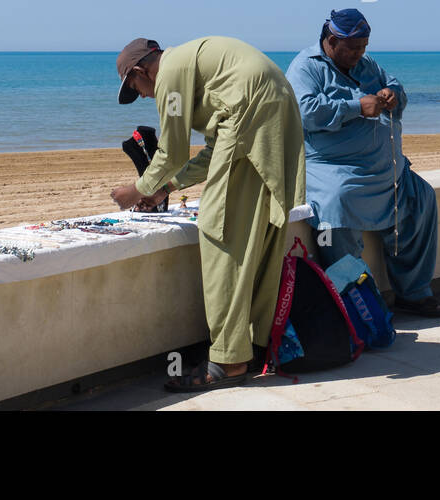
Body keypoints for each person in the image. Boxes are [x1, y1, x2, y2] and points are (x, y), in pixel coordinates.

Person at [111, 36, 306, 391]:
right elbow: (215, 150)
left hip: (254, 114)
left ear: (142, 70)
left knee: (221, 235)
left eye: (136, 87)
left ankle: (229, 362)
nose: (141, 96)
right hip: (274, 110)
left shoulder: (169, 76)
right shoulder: (198, 70)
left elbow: (171, 152)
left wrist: (136, 190)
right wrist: (165, 190)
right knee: (257, 239)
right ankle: (258, 345)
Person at [286, 9, 440, 318]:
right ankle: (360, 304)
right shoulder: (305, 67)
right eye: (354, 48)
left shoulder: (366, 63)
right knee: (336, 204)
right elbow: (305, 112)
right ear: (332, 41)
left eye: (364, 47)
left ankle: (414, 293)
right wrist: (356, 107)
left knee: (422, 197)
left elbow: (396, 85)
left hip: (385, 168)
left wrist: (393, 95)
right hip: (334, 167)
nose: (360, 54)